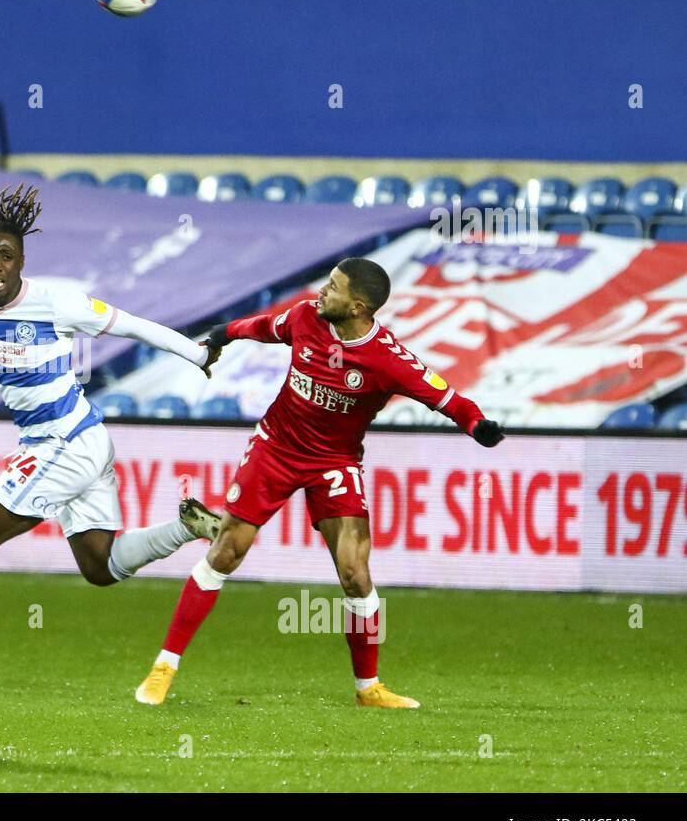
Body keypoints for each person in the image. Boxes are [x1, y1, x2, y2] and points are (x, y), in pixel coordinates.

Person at [0, 185, 223, 690]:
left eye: (4, 256)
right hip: (74, 439)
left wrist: (197, 353)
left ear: (22, 261)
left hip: (66, 440)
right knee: (101, 567)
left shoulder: (57, 302)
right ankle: (188, 528)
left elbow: (132, 326)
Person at [134, 256, 505, 709]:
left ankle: (368, 689)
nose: (321, 291)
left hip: (334, 463)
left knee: (355, 573)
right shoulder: (306, 318)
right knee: (228, 550)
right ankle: (164, 668)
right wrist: (222, 334)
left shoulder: (389, 359)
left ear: (358, 307)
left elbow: (445, 397)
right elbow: (264, 326)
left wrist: (478, 426)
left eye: (334, 287)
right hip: (275, 449)